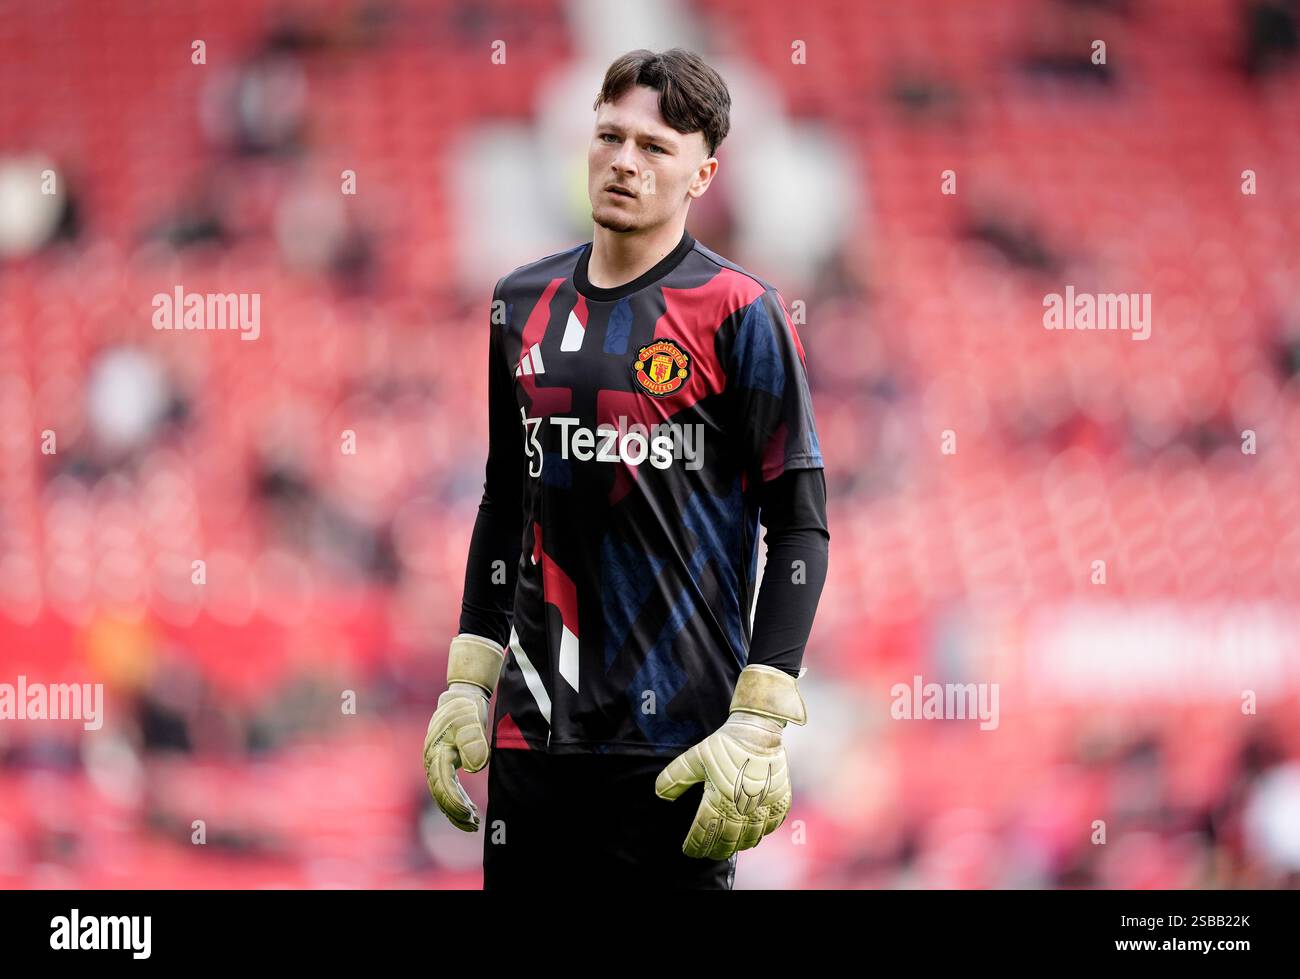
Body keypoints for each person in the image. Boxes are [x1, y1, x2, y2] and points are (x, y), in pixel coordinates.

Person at [423, 48, 829, 890]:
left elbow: (798, 519)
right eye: (610, 135)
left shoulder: (741, 314)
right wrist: (470, 674)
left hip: (678, 747)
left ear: (702, 174)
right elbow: (506, 499)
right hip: (532, 737)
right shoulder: (519, 304)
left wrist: (761, 708)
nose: (624, 160)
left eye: (654, 146)